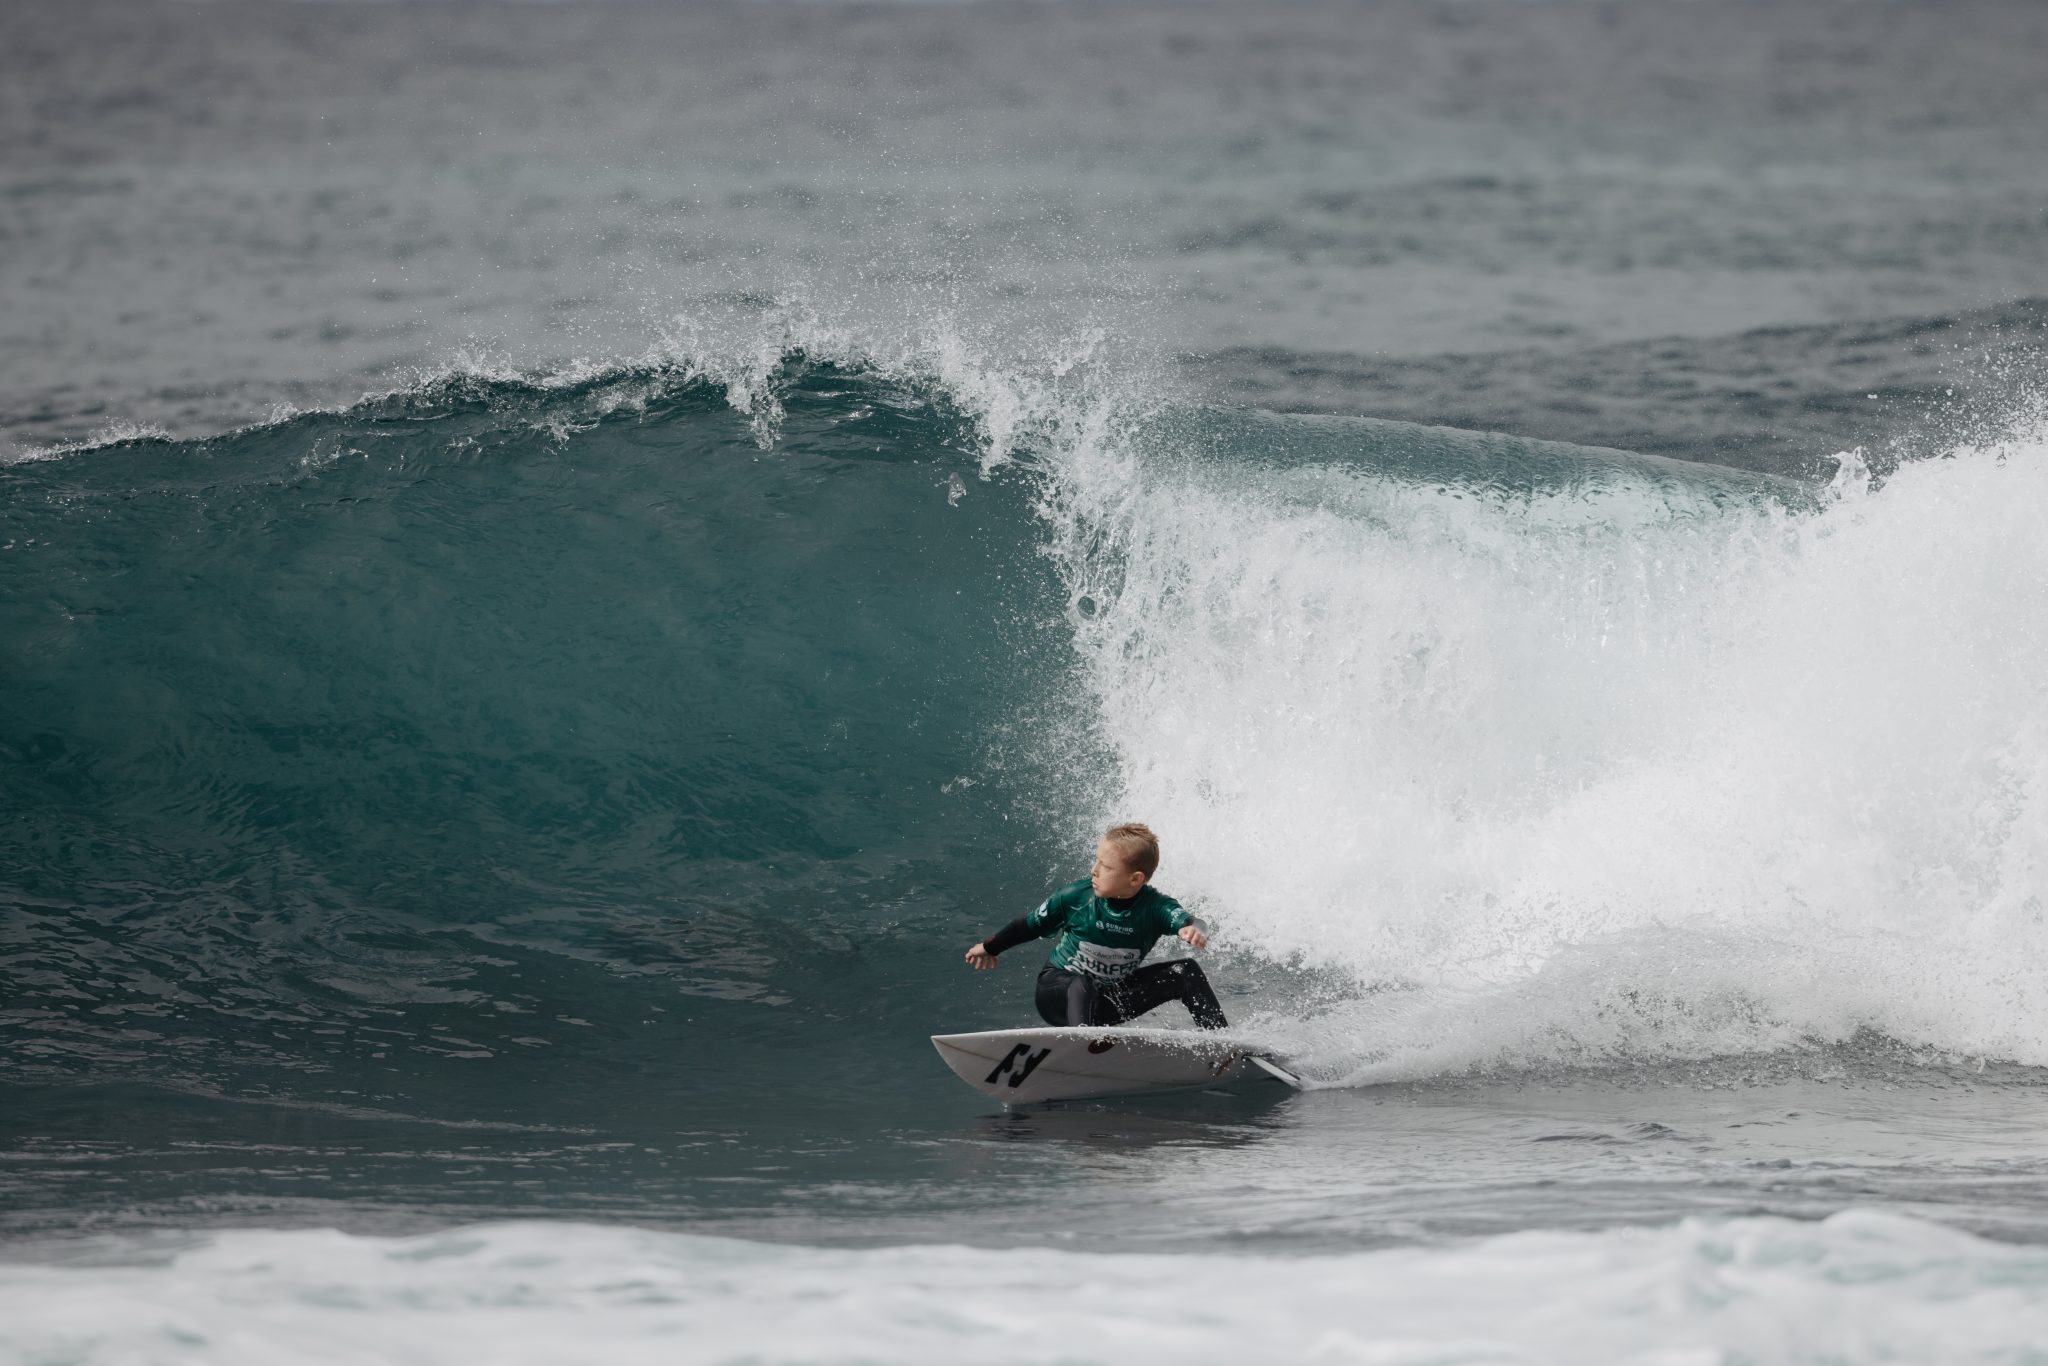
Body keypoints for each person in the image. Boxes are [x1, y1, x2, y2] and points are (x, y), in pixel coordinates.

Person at [964, 822, 1229, 1030]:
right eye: (1096, 860)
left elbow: (1192, 921)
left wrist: (1193, 929)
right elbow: (1028, 925)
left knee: (1185, 972)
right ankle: (1083, 1044)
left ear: (1135, 879)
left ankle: (1223, 1046)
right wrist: (990, 948)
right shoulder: (1076, 897)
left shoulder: (1155, 907)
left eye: (1106, 866)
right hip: (1057, 995)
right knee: (1083, 983)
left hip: (1108, 1001)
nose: (1094, 870)